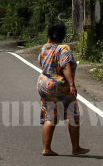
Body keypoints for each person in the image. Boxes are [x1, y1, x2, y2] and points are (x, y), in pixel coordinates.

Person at [37, 20, 89, 157]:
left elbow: (41, 63)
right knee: (73, 114)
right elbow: (65, 66)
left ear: (49, 35)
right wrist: (72, 84)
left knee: (50, 115)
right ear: (62, 35)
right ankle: (76, 147)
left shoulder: (44, 48)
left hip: (44, 85)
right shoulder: (63, 49)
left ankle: (46, 148)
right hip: (59, 85)